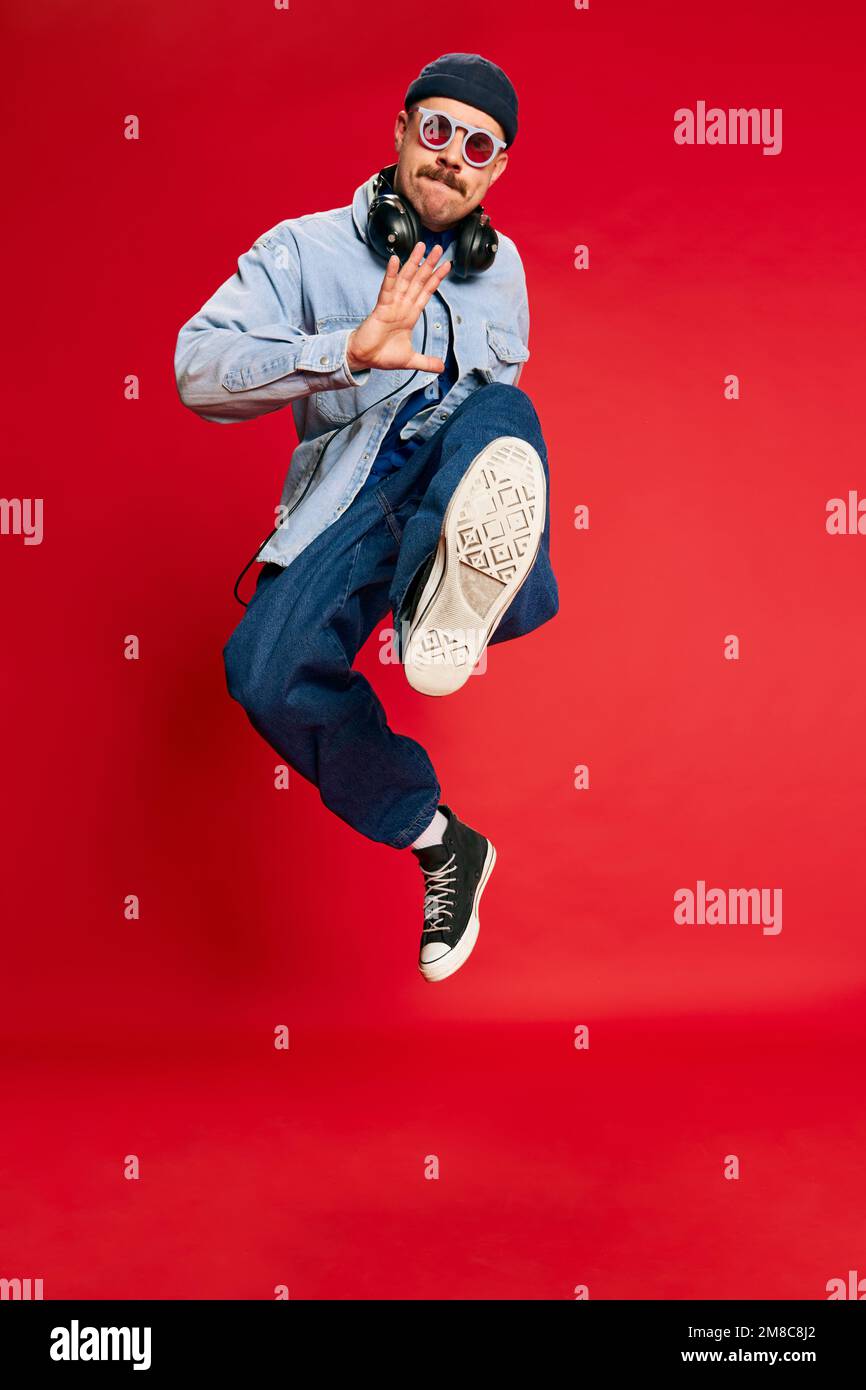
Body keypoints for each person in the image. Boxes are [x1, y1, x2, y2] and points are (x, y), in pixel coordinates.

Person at [174, 53, 559, 983]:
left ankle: (454, 590)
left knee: (502, 414)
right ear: (400, 132)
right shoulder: (302, 251)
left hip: (456, 479)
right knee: (259, 672)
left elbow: (502, 445)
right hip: (355, 497)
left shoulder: (501, 270)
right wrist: (341, 351)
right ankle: (439, 840)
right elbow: (195, 368)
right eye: (437, 132)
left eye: (478, 146)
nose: (452, 158)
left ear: (496, 169)